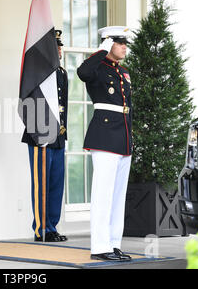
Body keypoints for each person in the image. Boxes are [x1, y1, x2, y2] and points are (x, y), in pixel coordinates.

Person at [77, 26, 133, 262]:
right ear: (108, 43)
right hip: (105, 135)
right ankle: (100, 246)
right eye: (119, 42)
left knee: (118, 195)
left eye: (124, 43)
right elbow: (82, 72)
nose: (124, 47)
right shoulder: (96, 67)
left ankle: (113, 243)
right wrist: (101, 49)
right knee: (103, 193)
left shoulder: (123, 71)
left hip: (123, 136)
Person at [21, 30, 68, 242]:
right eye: (55, 47)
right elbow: (25, 103)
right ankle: (41, 229)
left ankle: (52, 226)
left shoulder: (62, 73)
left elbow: (62, 106)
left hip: (58, 136)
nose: (59, 50)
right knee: (42, 185)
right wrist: (38, 131)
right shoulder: (36, 72)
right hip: (40, 136)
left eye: (60, 47)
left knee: (56, 185)